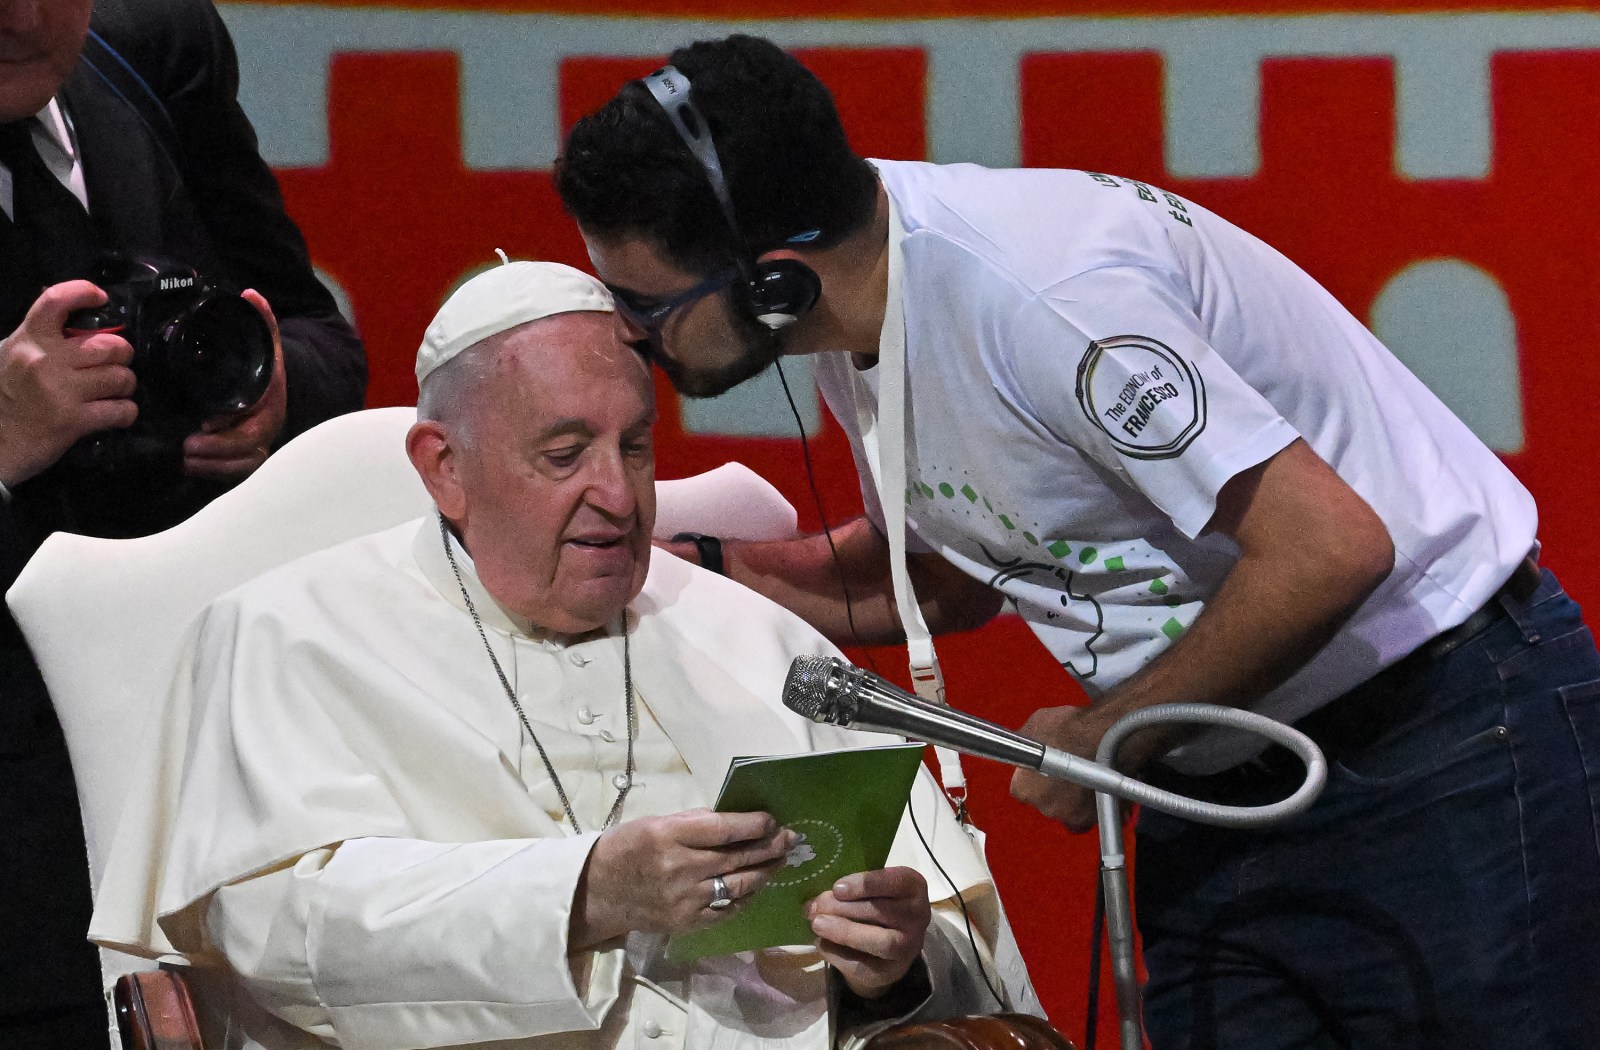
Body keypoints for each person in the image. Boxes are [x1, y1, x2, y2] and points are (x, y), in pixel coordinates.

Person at [554, 34, 1600, 1050]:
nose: (631, 330)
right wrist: (694, 572)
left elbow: (1328, 549)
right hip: (1212, 769)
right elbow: (946, 579)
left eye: (645, 302)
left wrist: (1108, 737)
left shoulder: (1040, 298)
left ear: (774, 280)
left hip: (1439, 737)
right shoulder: (863, 311)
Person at [88, 261, 1038, 1050]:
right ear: (442, 468)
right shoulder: (283, 635)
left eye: (633, 448)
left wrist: (892, 964)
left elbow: (956, 962)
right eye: (563, 455)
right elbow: (277, 930)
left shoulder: (754, 638)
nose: (618, 497)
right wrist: (587, 892)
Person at [1, 0, 365, 1043]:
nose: (20, 16)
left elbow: (316, 329)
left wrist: (273, 390)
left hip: (219, 786)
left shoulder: (151, 60)